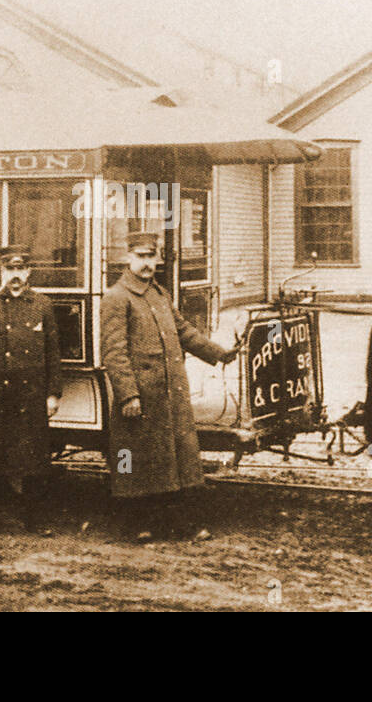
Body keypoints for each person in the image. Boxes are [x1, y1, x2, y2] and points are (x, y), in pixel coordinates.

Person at [100, 230, 238, 543]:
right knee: (141, 464)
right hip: (142, 399)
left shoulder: (159, 294)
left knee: (177, 462)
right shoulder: (117, 297)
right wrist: (128, 394)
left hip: (170, 396)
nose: (148, 263)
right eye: (141, 257)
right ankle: (139, 526)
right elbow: (114, 351)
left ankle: (180, 524)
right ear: (129, 257)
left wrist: (218, 353)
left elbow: (184, 331)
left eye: (152, 256)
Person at [0, 244, 62, 537]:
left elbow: (53, 354)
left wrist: (53, 393)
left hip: (31, 396)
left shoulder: (43, 305)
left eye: (20, 269)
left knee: (34, 461)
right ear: (1, 272)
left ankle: (35, 520)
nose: (15, 275)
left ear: (28, 271)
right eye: (10, 269)